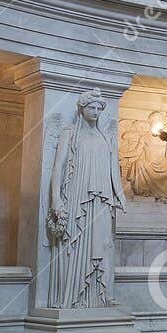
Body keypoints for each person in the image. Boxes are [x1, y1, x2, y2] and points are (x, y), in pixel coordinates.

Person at [45, 90, 126, 309]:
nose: (96, 112)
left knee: (104, 242)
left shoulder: (106, 137)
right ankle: (75, 296)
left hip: (102, 198)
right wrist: (55, 199)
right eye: (92, 107)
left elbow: (114, 170)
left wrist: (120, 195)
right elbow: (58, 167)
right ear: (82, 109)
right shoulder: (70, 134)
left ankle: (100, 294)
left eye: (99, 109)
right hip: (77, 195)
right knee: (77, 242)